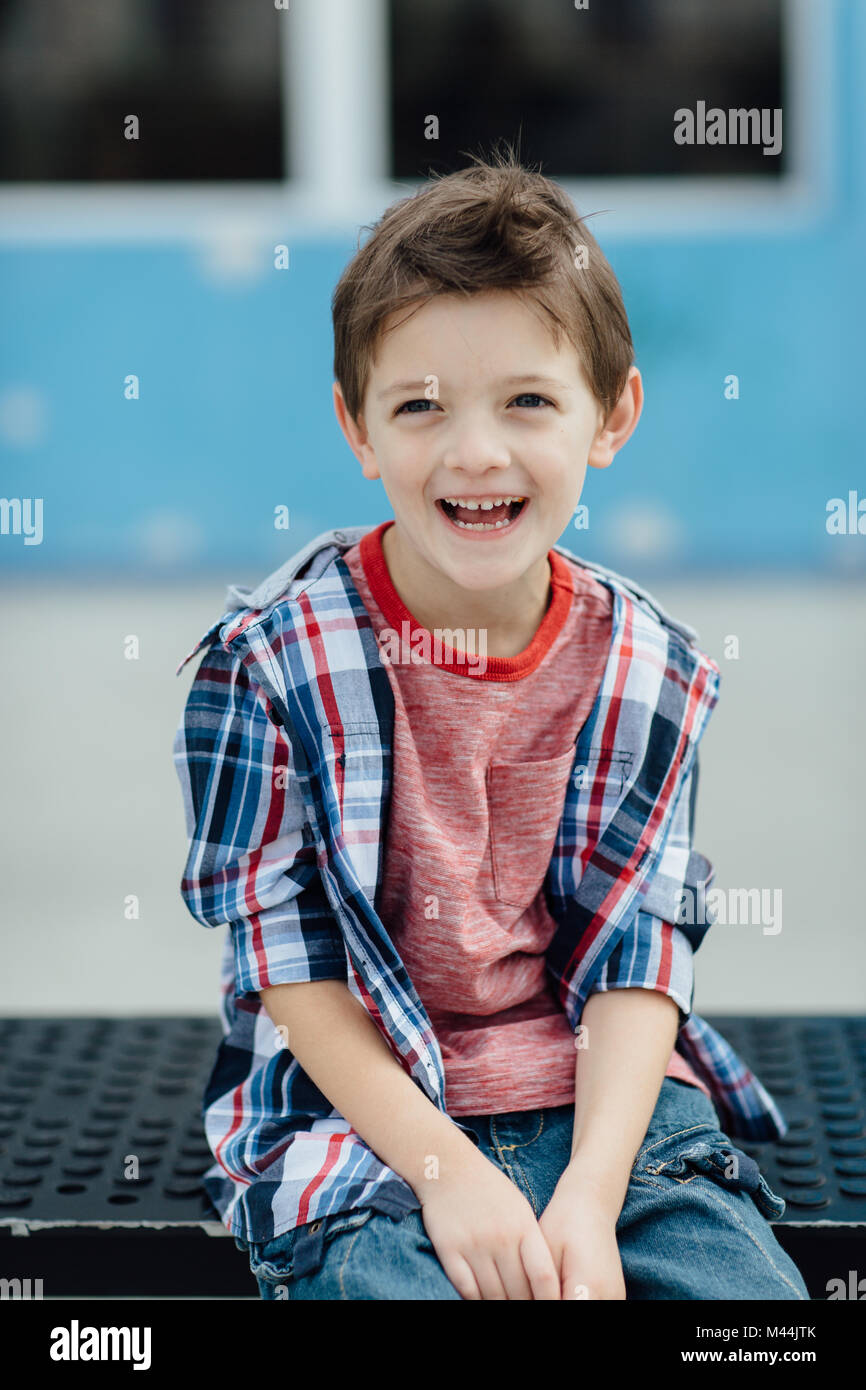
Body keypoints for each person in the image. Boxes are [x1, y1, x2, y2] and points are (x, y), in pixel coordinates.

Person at [172, 148, 810, 1301]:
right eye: (418, 406)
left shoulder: (647, 667)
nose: (474, 452)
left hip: (603, 1114)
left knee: (753, 1316)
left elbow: (635, 951)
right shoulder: (268, 663)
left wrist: (590, 1196)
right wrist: (445, 1171)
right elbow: (288, 964)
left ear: (610, 415)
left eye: (526, 400)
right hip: (363, 1122)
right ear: (356, 428)